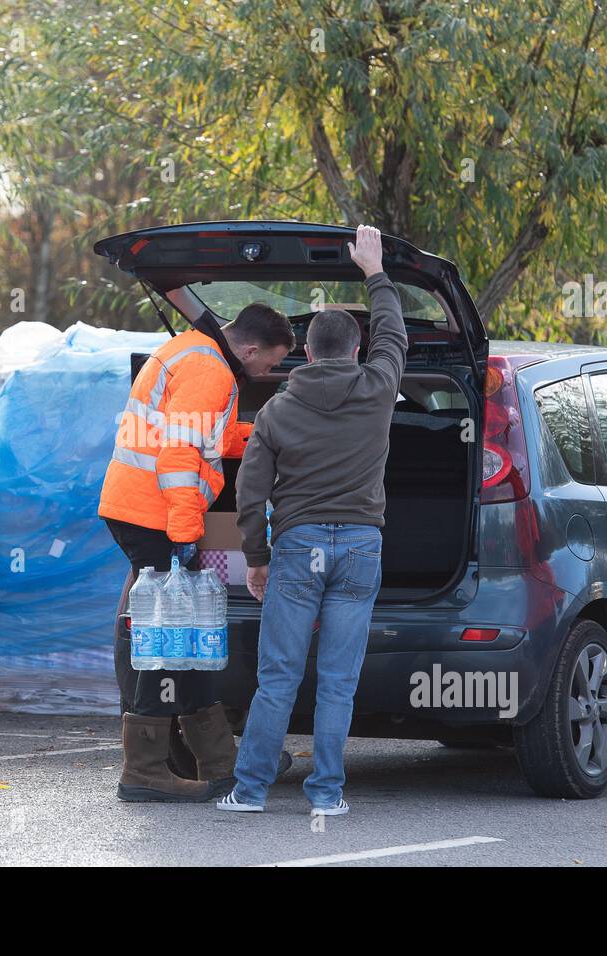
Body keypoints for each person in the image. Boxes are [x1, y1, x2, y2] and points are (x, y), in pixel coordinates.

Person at [217, 224, 408, 815]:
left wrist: (256, 557)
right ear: (355, 352)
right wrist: (373, 271)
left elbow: (251, 493)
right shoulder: (378, 387)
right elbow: (395, 337)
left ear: (305, 352)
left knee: (277, 678)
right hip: (359, 549)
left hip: (297, 549)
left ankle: (249, 793)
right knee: (337, 682)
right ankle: (326, 794)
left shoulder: (277, 410)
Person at [99, 298, 294, 802]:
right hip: (154, 515)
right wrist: (186, 533)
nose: (268, 371)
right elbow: (181, 455)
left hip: (136, 505)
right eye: (270, 362)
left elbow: (210, 434)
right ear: (249, 348)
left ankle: (218, 762)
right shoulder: (210, 371)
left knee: (178, 636)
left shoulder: (190, 351)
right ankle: (143, 771)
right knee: (166, 643)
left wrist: (263, 436)